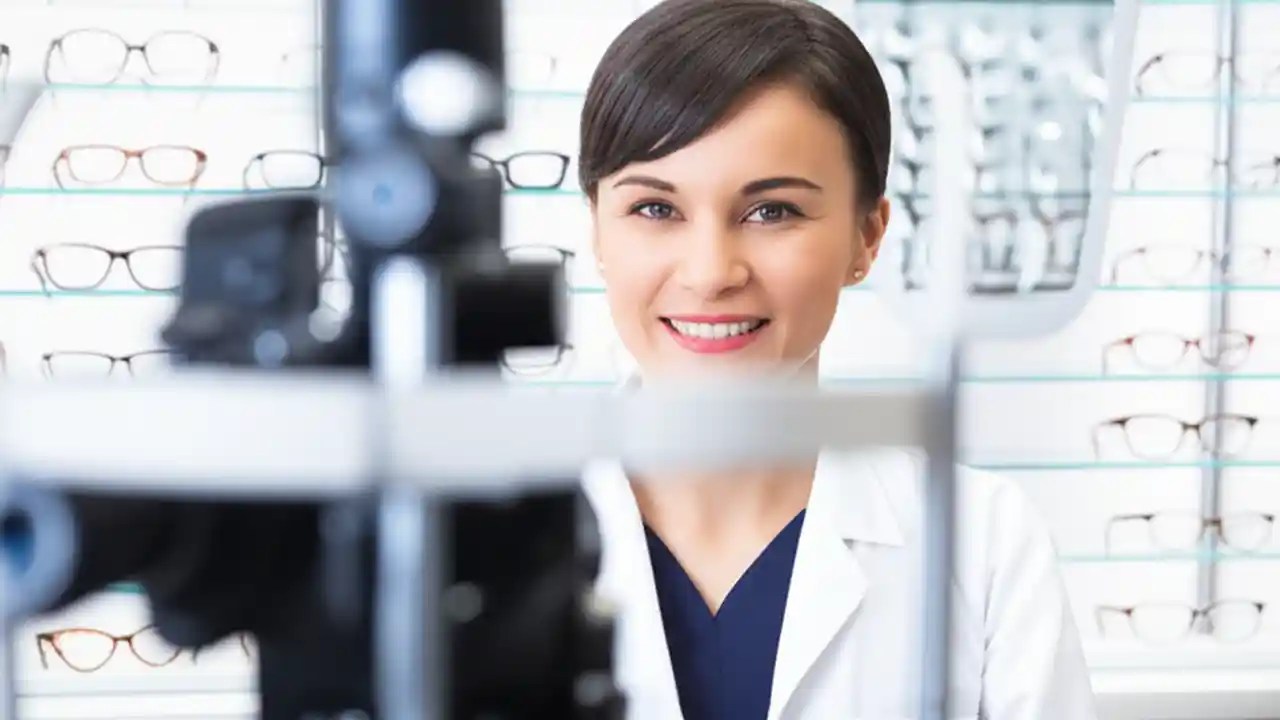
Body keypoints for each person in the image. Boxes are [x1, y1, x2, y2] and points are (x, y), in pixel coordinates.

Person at [575, 1, 1097, 719]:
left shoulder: (983, 543)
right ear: (598, 230)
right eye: (656, 210)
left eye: (772, 211)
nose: (710, 273)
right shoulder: (481, 541)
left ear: (867, 236)